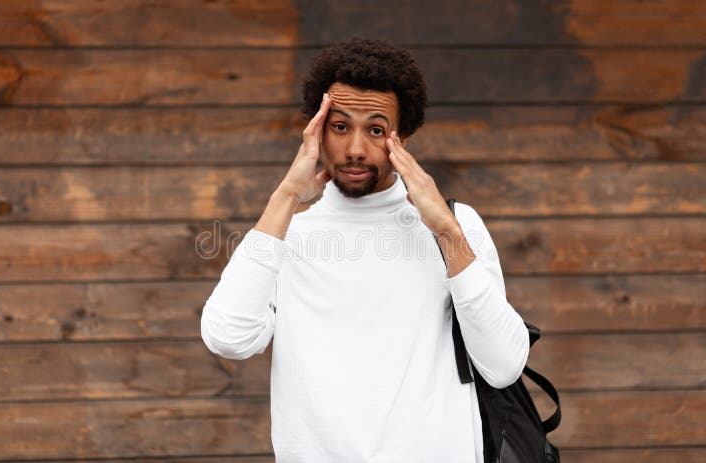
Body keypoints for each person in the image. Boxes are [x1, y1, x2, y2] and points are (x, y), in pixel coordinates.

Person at [200, 38, 530, 462]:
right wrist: (285, 196)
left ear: (401, 138)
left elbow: (503, 366)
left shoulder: (454, 226)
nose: (356, 149)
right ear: (318, 131)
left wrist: (447, 230)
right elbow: (227, 338)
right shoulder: (287, 234)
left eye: (375, 129)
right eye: (340, 126)